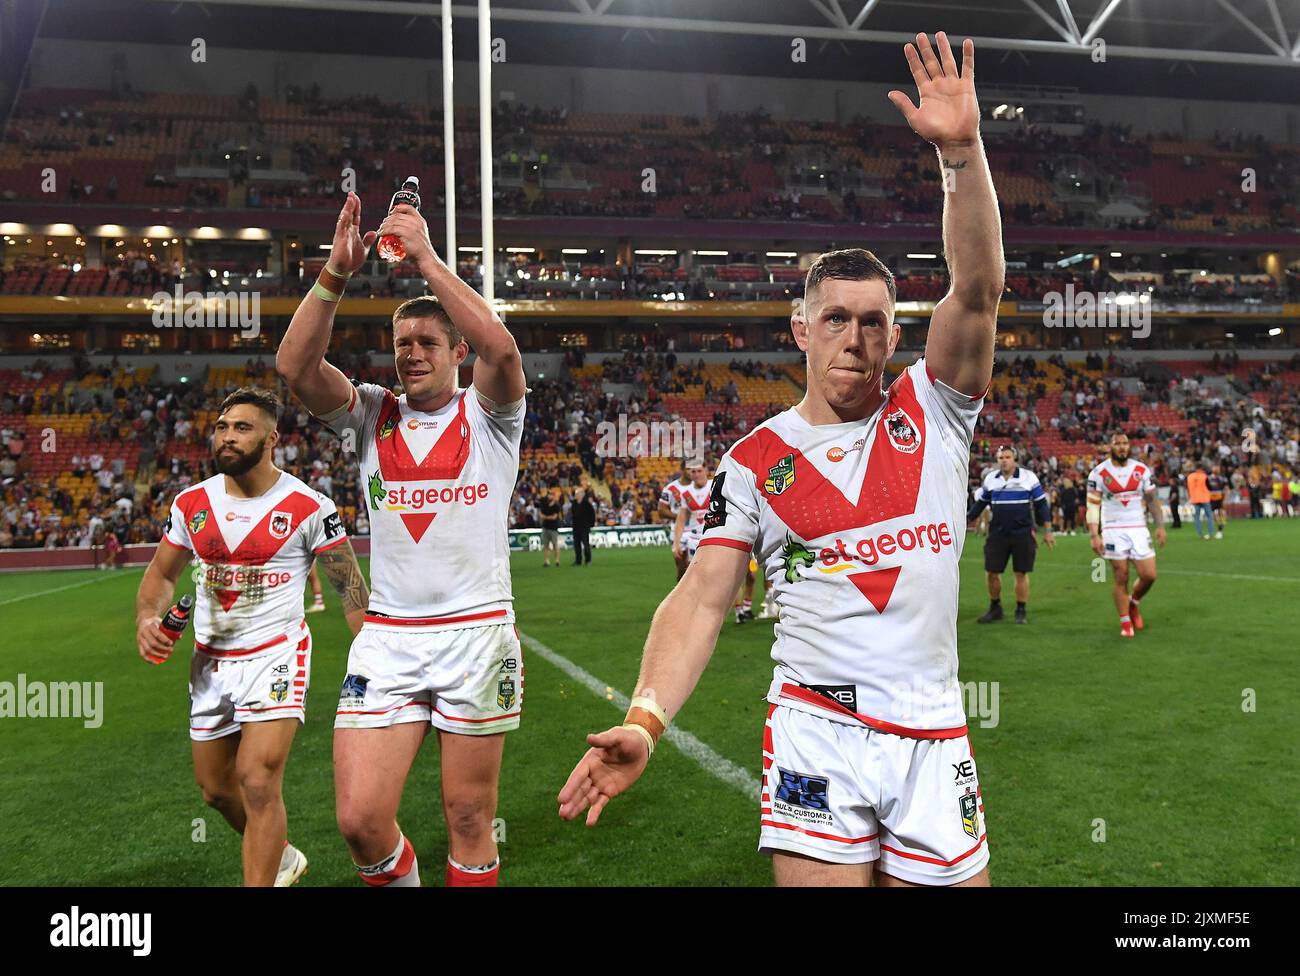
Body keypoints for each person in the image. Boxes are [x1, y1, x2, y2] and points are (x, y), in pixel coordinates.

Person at [559, 33, 1002, 887]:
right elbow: (701, 598)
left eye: (874, 321)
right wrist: (646, 719)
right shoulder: (754, 461)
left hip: (934, 725)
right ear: (801, 330)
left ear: (895, 335)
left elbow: (977, 288)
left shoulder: (933, 408)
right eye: (835, 318)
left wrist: (960, 151)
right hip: (814, 729)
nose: (856, 338)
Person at [277, 190, 527, 888]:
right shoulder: (370, 413)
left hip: (476, 633)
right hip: (387, 637)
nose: (413, 355)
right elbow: (295, 370)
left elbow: (503, 347)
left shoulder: (491, 416)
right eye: (402, 346)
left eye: (428, 344)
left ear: (457, 352)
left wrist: (425, 259)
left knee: (470, 817)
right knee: (359, 819)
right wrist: (334, 273)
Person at [134, 387, 369, 886]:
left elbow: (350, 589)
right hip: (209, 664)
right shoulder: (191, 503)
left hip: (275, 657)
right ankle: (281, 855)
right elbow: (160, 576)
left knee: (258, 781)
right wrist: (147, 620)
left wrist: (376, 664)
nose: (228, 436)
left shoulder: (309, 506)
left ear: (271, 439)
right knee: (216, 791)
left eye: (242, 428)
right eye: (222, 427)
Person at [1087, 431, 1166, 638]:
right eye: (1117, 444)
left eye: (1125, 443)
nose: (1122, 447)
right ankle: (1125, 623)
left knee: (1149, 575)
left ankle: (1134, 602)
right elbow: (1093, 505)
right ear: (1110, 446)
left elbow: (1151, 500)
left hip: (1138, 527)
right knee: (1121, 576)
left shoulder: (1141, 470)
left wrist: (1160, 526)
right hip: (1113, 529)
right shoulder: (1099, 473)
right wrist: (1094, 534)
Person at [967, 445, 1053, 625]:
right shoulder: (991, 479)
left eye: (1007, 457)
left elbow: (1041, 505)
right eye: (1000, 457)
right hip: (997, 533)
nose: (1004, 460)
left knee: (1020, 572)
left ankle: (1021, 609)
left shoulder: (1028, 478)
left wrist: (1048, 531)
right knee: (991, 572)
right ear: (997, 460)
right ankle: (995, 607)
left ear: (1014, 459)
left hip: (1022, 533)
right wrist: (964, 521)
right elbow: (980, 505)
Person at [671, 461, 712, 568]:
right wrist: (676, 544)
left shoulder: (715, 486)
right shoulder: (686, 494)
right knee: (695, 573)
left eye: (699, 471)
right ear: (689, 473)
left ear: (706, 470)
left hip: (715, 536)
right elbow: (681, 520)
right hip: (696, 538)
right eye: (693, 471)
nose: (697, 474)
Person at [657, 464, 691, 580]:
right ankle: (680, 594)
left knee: (695, 568)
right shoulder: (671, 489)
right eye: (689, 469)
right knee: (682, 569)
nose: (692, 472)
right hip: (678, 532)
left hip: (698, 531)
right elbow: (661, 511)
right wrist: (680, 516)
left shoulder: (701, 487)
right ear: (682, 470)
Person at [1186, 462, 1212, 539]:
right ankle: (1210, 534)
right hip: (1204, 498)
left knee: (1197, 517)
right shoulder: (1204, 476)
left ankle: (1200, 534)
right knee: (1209, 516)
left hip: (1195, 499)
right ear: (1201, 469)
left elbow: (1188, 487)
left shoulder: (1190, 477)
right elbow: (1209, 486)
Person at [572, 486, 595, 565]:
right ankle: (578, 561)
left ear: (582, 494)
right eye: (576, 493)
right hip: (576, 527)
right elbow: (572, 514)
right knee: (576, 545)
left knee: (586, 544)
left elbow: (592, 514)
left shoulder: (587, 504)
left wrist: (591, 524)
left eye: (578, 493)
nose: (576, 495)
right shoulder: (574, 503)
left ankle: (588, 560)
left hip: (584, 527)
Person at [540, 489, 562, 566]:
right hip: (545, 527)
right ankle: (547, 560)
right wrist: (549, 517)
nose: (550, 496)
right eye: (549, 495)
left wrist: (546, 517)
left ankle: (557, 560)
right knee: (546, 546)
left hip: (553, 528)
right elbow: (541, 515)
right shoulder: (544, 504)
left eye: (551, 495)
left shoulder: (557, 505)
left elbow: (554, 517)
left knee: (555, 545)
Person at [1206, 463, 1227, 539]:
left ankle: (1220, 531)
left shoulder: (1222, 478)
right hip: (1211, 499)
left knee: (1222, 515)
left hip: (1220, 499)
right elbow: (1206, 488)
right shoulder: (1208, 478)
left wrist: (1225, 499)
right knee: (1212, 516)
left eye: (1217, 468)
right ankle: (1213, 531)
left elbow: (1226, 489)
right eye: (1215, 467)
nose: (1216, 469)